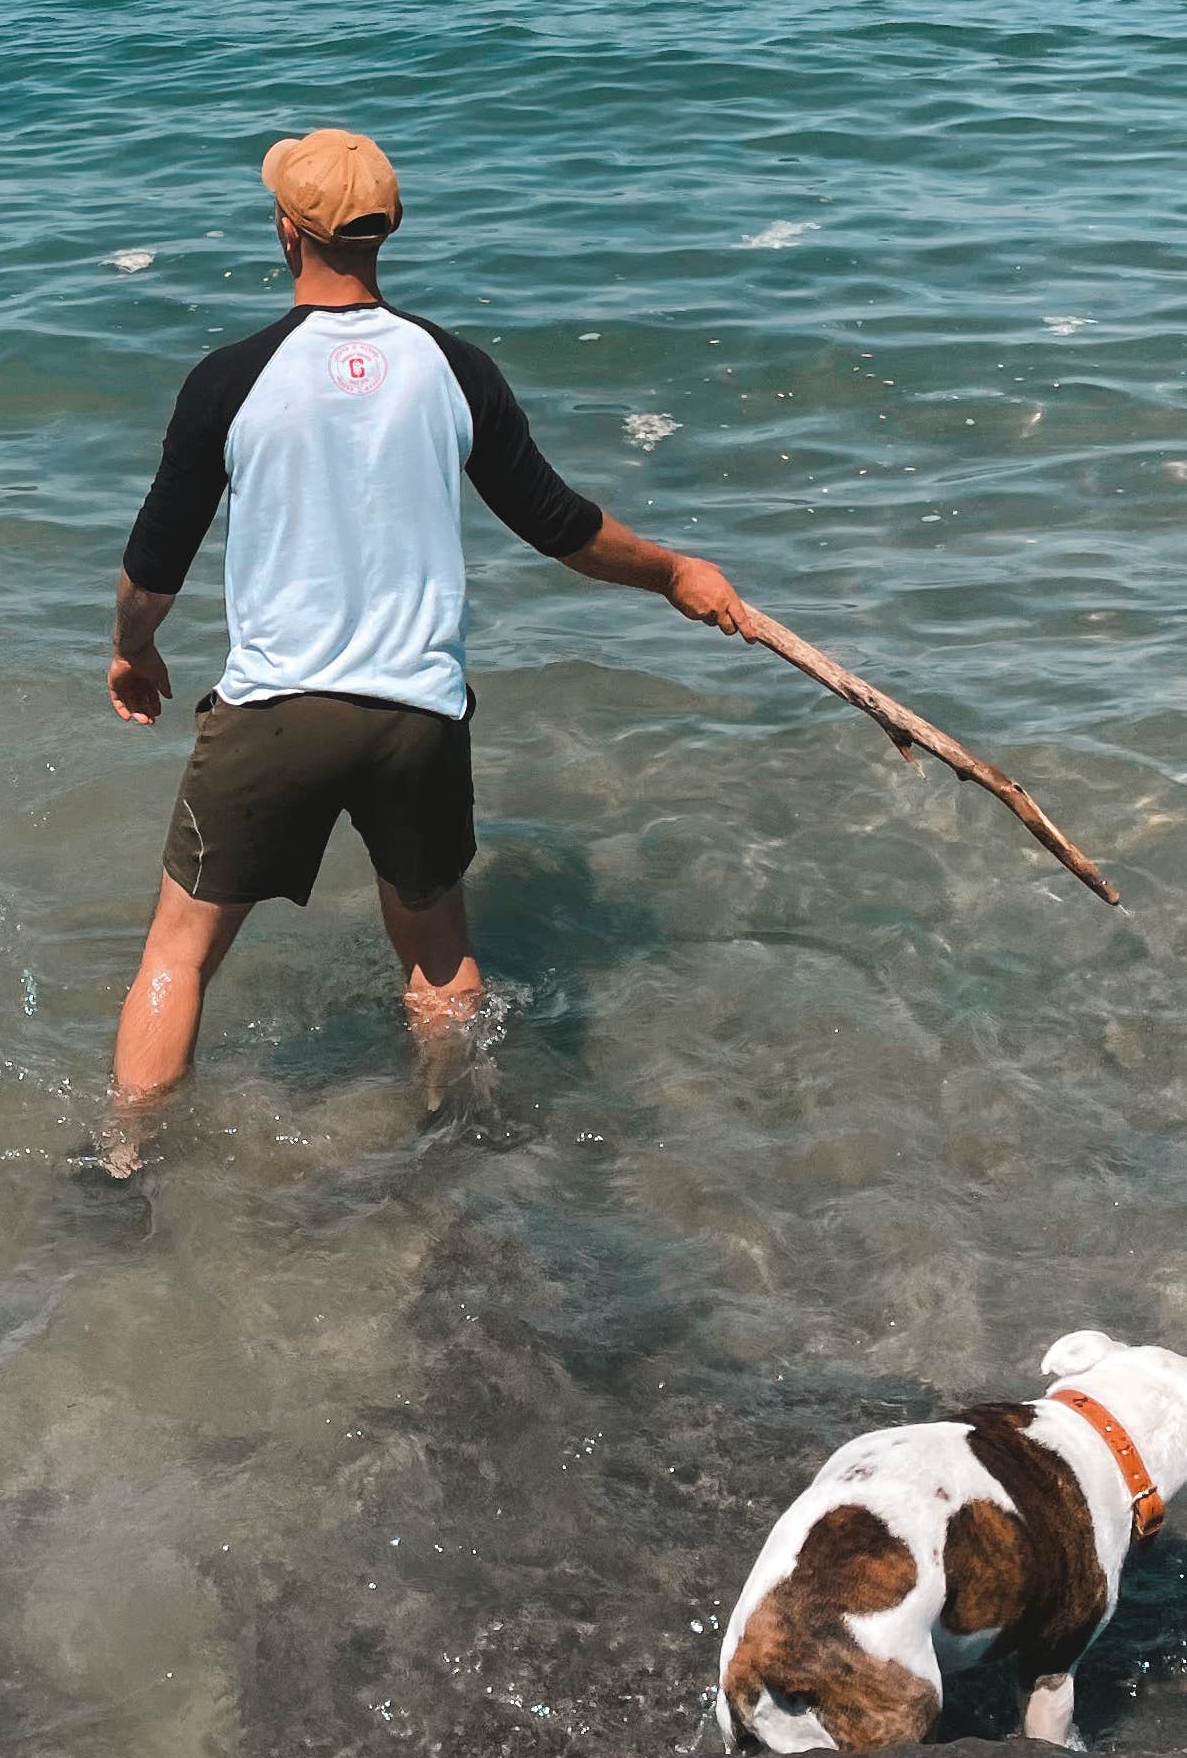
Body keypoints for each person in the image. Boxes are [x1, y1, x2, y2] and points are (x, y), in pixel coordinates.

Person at [105, 125, 741, 1137]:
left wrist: (133, 649)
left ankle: (125, 1168)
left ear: (286, 228)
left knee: (177, 956)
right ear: (382, 233)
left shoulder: (231, 379)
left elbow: (154, 565)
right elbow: (559, 524)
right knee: (439, 958)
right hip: (419, 718)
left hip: (277, 709)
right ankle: (463, 1138)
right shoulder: (454, 368)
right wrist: (673, 573)